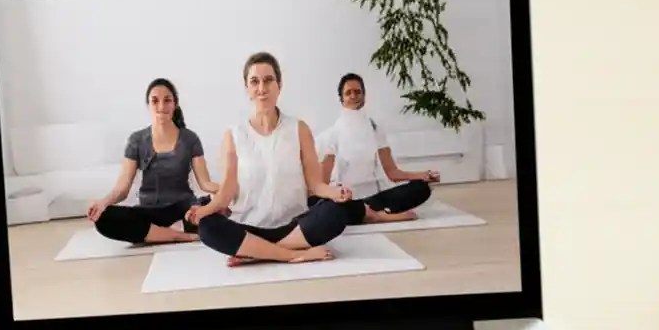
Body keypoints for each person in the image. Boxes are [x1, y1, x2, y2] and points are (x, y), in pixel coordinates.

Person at [187, 52, 351, 266]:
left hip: (294, 227)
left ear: (279, 85)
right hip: (248, 229)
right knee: (207, 227)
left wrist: (336, 193)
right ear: (247, 88)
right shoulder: (234, 135)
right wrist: (203, 211)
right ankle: (292, 254)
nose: (262, 88)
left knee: (337, 211)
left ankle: (256, 253)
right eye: (254, 81)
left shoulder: (299, 129)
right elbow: (226, 193)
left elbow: (315, 185)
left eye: (268, 80)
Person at [87, 78, 220, 245]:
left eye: (167, 100)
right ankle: (178, 235)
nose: (161, 106)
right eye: (155, 101)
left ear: (175, 104)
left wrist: (226, 190)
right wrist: (103, 203)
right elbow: (122, 189)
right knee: (103, 218)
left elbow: (205, 183)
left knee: (211, 212)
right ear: (148, 104)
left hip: (183, 209)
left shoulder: (189, 138)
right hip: (148, 211)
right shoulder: (137, 140)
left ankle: (157, 233)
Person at [314, 72, 440, 225]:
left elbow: (392, 172)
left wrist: (422, 175)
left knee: (421, 188)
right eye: (348, 93)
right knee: (324, 205)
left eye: (357, 92)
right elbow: (323, 183)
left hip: (373, 199)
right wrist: (338, 194)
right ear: (342, 99)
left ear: (364, 96)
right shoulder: (332, 134)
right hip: (347, 199)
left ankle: (369, 213)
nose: (353, 96)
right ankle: (378, 216)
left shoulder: (375, 129)